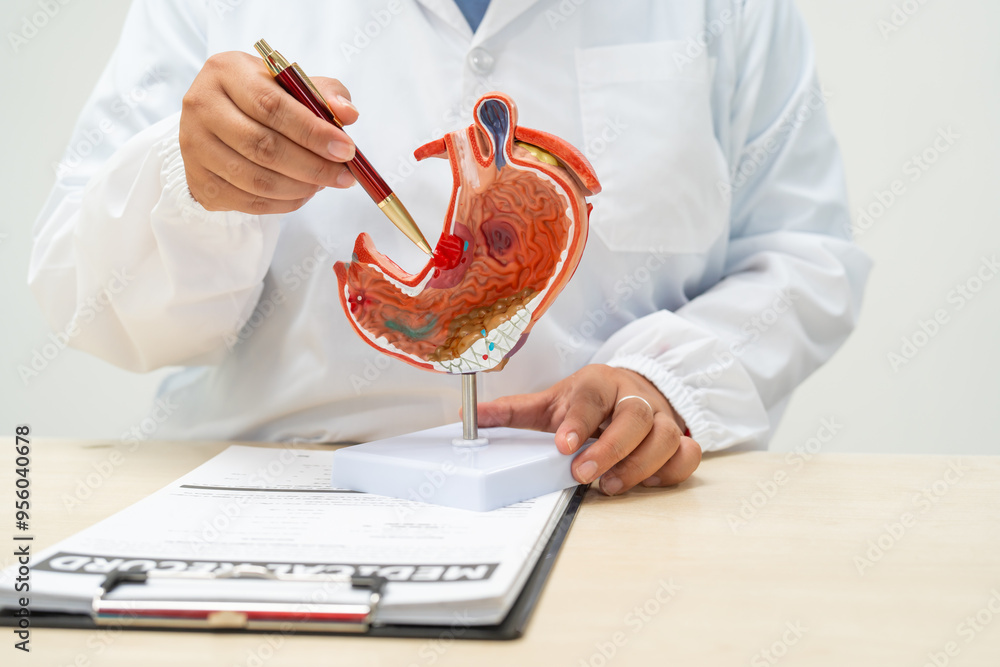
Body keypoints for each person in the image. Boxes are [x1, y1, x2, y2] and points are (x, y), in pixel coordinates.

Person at [28, 0, 870, 497]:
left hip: (603, 500)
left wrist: (671, 376)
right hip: (285, 508)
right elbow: (85, 298)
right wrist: (194, 180)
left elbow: (804, 251)